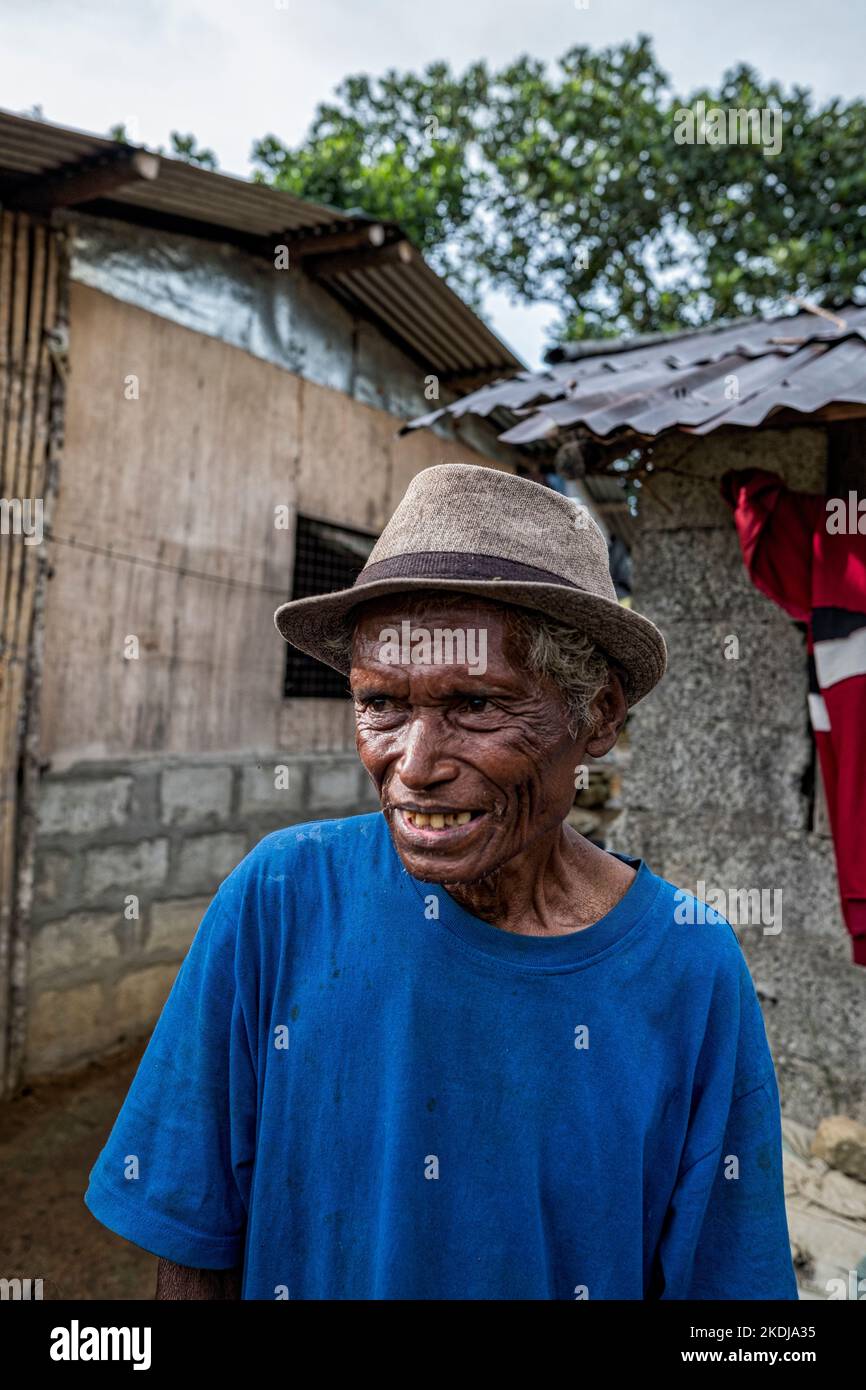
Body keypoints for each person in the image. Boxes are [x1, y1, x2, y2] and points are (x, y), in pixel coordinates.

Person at [85, 463, 798, 1300]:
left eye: (476, 706)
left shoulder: (689, 966)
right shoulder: (280, 897)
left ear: (597, 715)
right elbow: (193, 1239)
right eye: (381, 704)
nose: (413, 767)